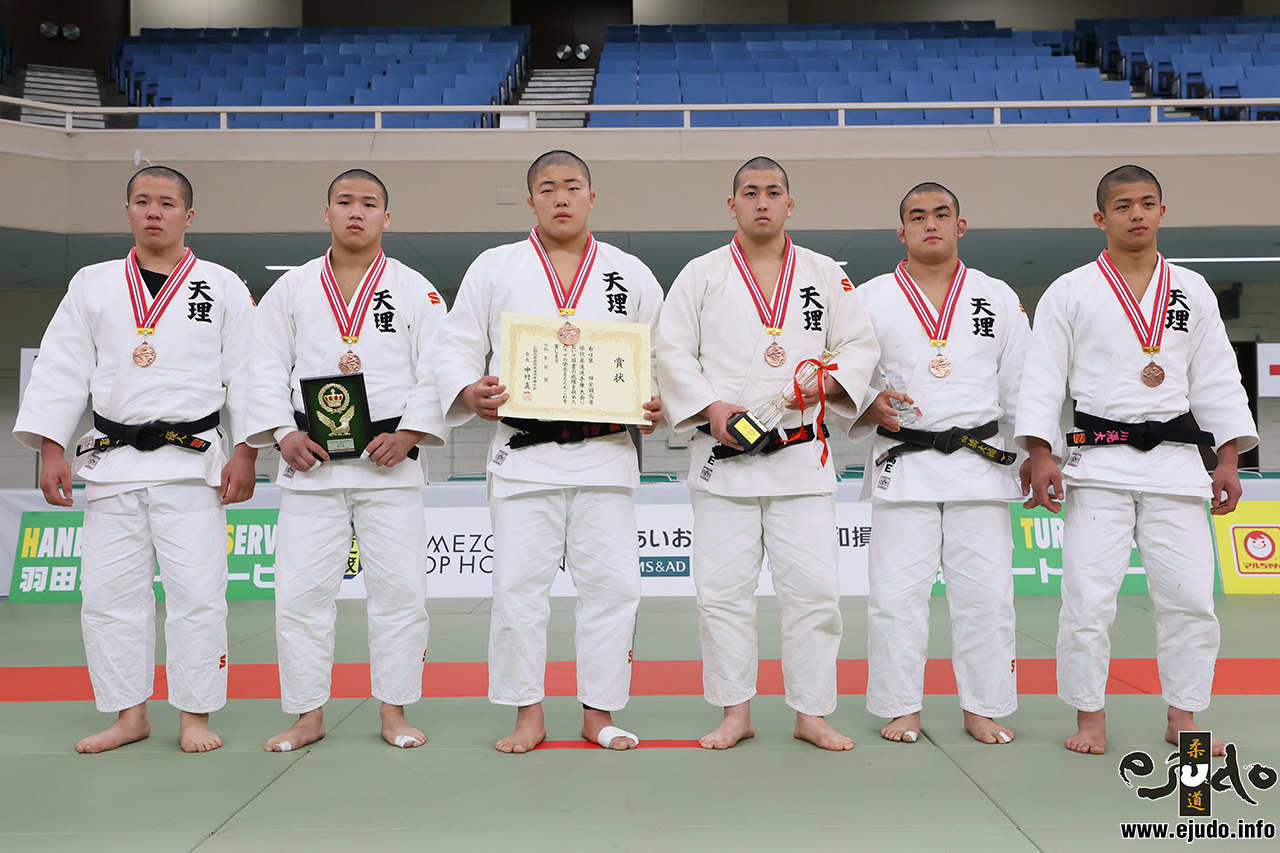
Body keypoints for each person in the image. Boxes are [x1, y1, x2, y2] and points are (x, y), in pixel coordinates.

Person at [14, 166, 258, 754]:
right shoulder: (92, 284)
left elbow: (249, 374)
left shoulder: (221, 285)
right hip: (112, 464)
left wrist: (248, 450)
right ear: (127, 211)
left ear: (188, 216)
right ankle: (130, 714)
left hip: (191, 465)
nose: (155, 211)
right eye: (142, 201)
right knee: (109, 596)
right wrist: (51, 446)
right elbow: (62, 368)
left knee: (197, 595)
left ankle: (195, 715)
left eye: (168, 203)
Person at [1017, 164, 1256, 756]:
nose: (1137, 214)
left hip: (1176, 462)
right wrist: (1041, 452)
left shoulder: (1192, 289)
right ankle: (1090, 716)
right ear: (1101, 218)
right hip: (1098, 463)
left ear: (1163, 212)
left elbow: (1217, 379)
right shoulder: (1069, 290)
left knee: (1190, 596)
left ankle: (1184, 715)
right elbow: (1043, 379)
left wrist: (1227, 457)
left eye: (1148, 203)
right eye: (1123, 206)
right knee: (1088, 597)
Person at [435, 150, 664, 753]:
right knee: (517, 590)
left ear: (592, 196)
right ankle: (527, 715)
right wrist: (468, 389)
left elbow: (662, 355)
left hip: (607, 452)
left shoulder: (631, 272)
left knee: (613, 590)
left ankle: (599, 712)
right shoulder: (495, 267)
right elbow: (457, 342)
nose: (561, 197)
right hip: (524, 454)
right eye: (547, 188)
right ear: (530, 199)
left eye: (572, 186)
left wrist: (659, 399)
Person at [654, 156, 878, 751]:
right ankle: (735, 711)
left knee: (815, 594)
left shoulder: (826, 273)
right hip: (723, 460)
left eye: (773, 192)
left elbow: (858, 345)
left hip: (801, 460)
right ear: (732, 205)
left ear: (789, 203)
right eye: (749, 193)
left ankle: (812, 713)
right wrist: (710, 408)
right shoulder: (701, 275)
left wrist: (826, 384)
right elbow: (671, 353)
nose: (761, 202)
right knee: (722, 596)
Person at [246, 169, 448, 752]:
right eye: (344, 202)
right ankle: (308, 714)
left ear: (388, 217)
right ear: (326, 213)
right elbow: (261, 368)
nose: (355, 212)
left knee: (401, 592)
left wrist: (411, 433)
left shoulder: (415, 289)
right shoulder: (291, 289)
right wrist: (282, 432)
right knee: (302, 593)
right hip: (311, 464)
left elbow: (437, 368)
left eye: (369, 204)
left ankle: (394, 710)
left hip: (390, 462)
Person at [852, 182, 1028, 746]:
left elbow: (1023, 384)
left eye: (942, 214)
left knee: (987, 596)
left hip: (980, 463)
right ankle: (900, 706)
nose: (931, 223)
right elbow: (846, 375)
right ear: (900, 231)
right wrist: (864, 403)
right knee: (895, 598)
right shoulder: (870, 297)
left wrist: (1036, 452)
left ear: (961, 225)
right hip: (904, 461)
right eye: (917, 216)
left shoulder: (996, 296)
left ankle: (984, 707)